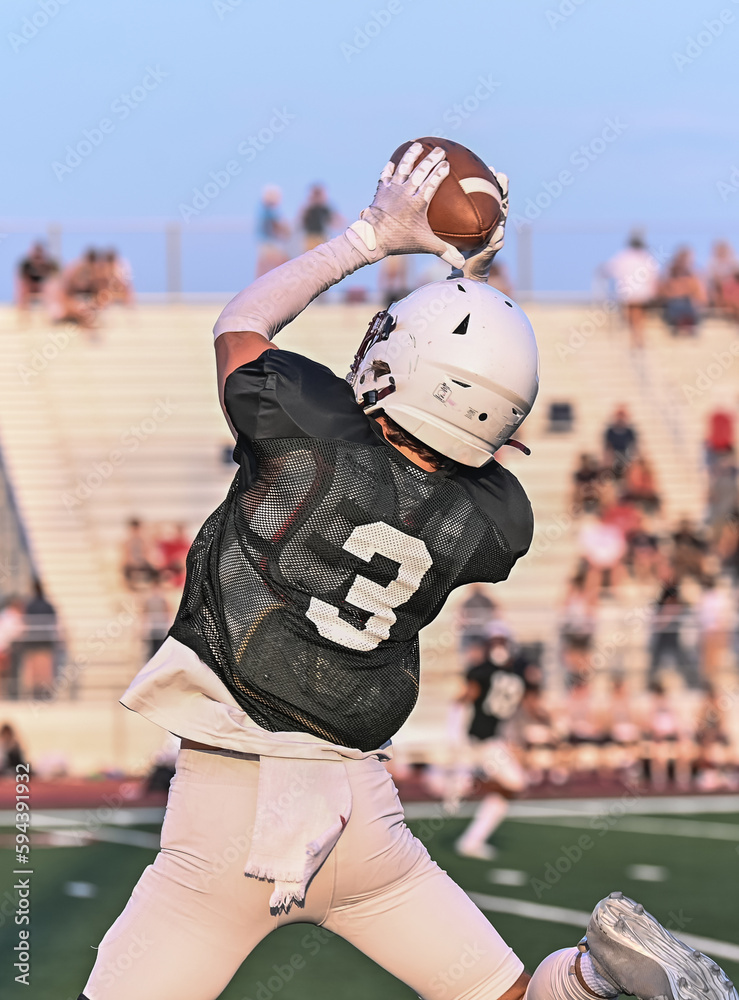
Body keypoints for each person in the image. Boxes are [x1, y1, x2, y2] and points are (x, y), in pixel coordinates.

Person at [77, 144, 736, 1000]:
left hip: (230, 807)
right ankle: (585, 982)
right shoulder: (490, 518)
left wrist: (371, 237)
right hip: (364, 815)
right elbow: (463, 428)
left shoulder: (311, 435)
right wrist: (474, 310)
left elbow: (239, 325)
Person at [455, 623, 532, 860]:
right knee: (516, 784)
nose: (499, 647)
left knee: (506, 793)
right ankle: (476, 783)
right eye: (495, 642)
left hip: (493, 739)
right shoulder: (485, 672)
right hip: (482, 740)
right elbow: (464, 701)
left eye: (502, 641)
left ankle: (472, 840)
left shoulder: (513, 673)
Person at [602, 232, 659, 348]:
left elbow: (608, 270)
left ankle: (636, 338)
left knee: (634, 312)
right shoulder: (645, 257)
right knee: (636, 312)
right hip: (640, 293)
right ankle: (637, 338)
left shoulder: (622, 256)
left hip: (629, 294)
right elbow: (654, 276)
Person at [21, 579, 59, 699]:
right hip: (45, 640)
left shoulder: (30, 606)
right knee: (45, 668)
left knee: (36, 668)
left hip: (34, 641)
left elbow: (26, 622)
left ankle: (37, 691)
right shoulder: (48, 605)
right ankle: (44, 691)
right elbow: (54, 622)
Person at [659, 248, 706, 337]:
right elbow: (662, 292)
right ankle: (679, 326)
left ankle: (688, 327)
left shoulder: (692, 278)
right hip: (673, 304)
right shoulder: (669, 278)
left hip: (687, 304)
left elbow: (700, 296)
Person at [255, 186, 291, 277]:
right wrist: (286, 233)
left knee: (264, 267)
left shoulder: (264, 210)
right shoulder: (270, 211)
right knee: (283, 264)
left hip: (265, 243)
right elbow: (278, 226)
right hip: (270, 243)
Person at [15, 241, 58, 314]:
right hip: (29, 286)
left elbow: (57, 282)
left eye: (40, 257)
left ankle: (52, 309)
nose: (38, 261)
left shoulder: (52, 266)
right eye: (36, 257)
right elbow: (21, 284)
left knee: (52, 287)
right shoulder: (25, 266)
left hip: (46, 287)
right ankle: (23, 311)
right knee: (23, 288)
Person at [299, 183, 341, 250]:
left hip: (321, 235)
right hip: (311, 236)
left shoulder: (323, 209)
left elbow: (333, 218)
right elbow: (303, 219)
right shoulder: (310, 208)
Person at [603, 406, 637, 477]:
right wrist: (608, 462)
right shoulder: (610, 432)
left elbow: (633, 448)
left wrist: (632, 462)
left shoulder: (629, 432)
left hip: (626, 460)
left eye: (622, 415)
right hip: (613, 460)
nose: (620, 418)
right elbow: (607, 449)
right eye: (619, 415)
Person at [705, 239, 738, 308]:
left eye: (723, 249)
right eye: (720, 250)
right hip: (719, 288)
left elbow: (736, 274)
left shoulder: (734, 261)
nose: (722, 251)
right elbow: (712, 278)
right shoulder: (712, 263)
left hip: (733, 286)